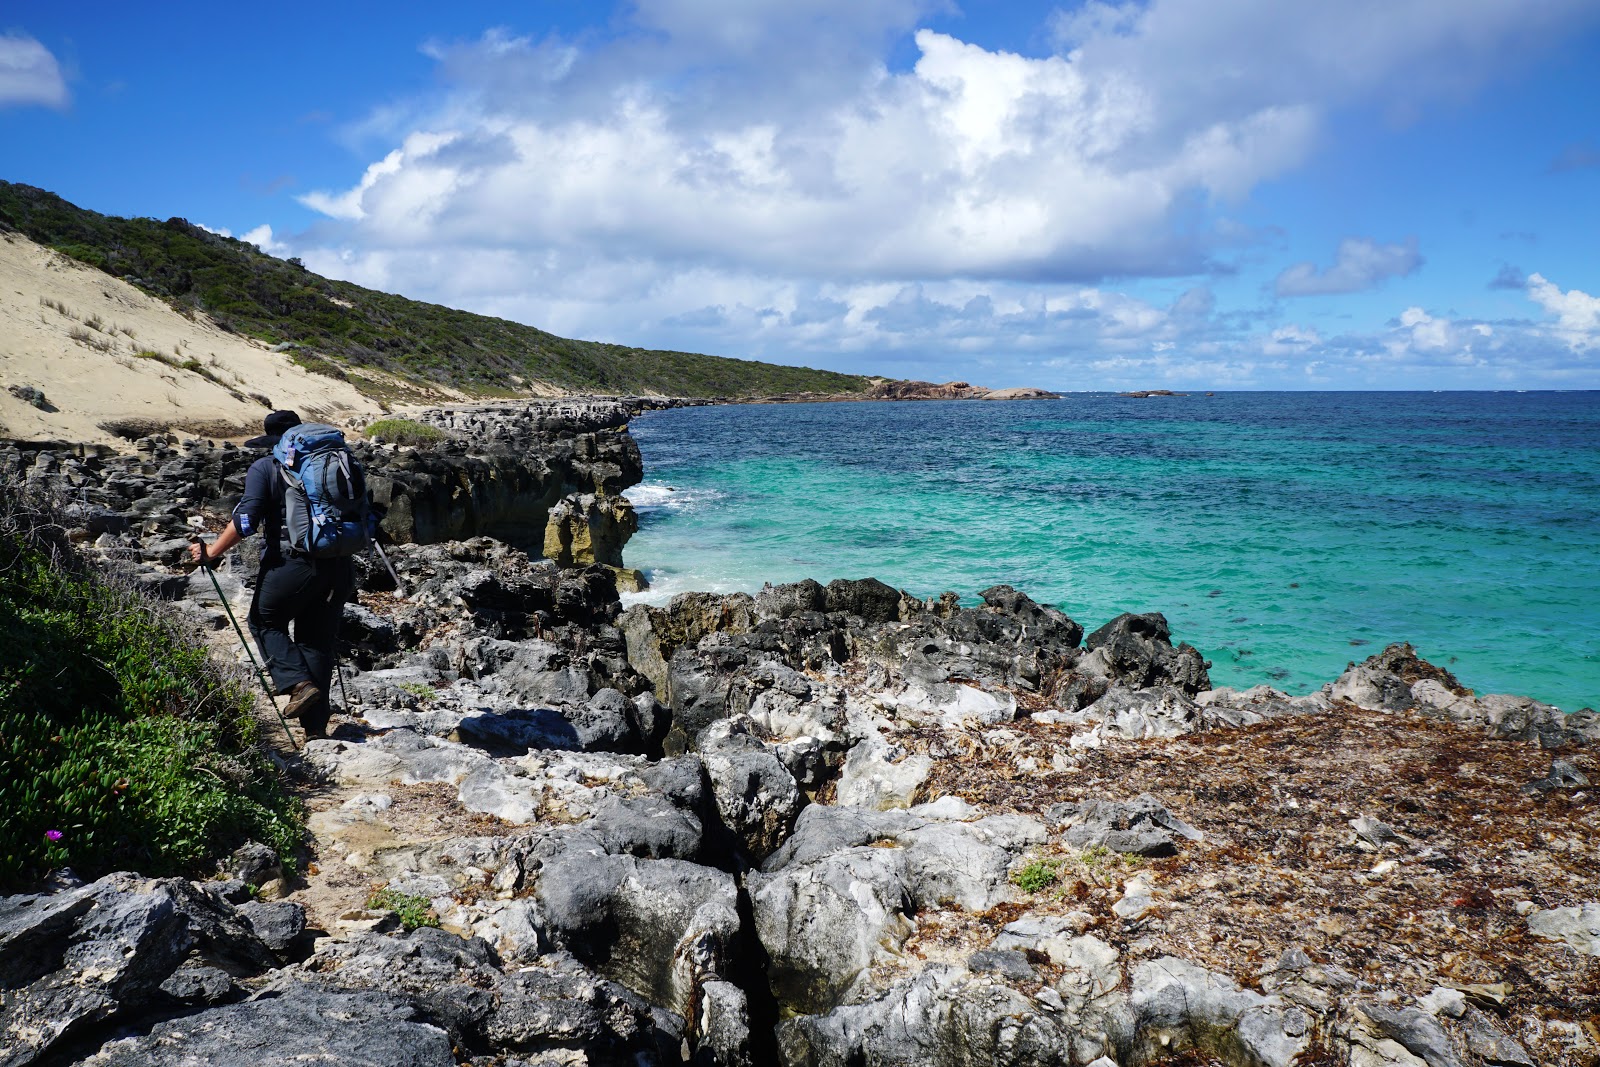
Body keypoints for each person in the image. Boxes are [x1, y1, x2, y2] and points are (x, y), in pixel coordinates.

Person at [187, 409, 355, 740]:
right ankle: (316, 732)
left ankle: (297, 683)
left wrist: (211, 551)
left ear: (271, 441)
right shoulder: (334, 462)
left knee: (264, 622)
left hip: (293, 564)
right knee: (315, 642)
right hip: (340, 563)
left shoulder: (266, 466)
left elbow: (246, 521)